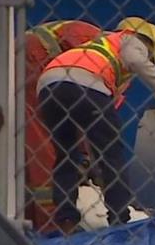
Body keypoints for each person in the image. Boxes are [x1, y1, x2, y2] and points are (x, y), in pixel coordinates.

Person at [37, 17, 155, 233]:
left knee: (66, 155)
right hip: (87, 85)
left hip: (48, 87)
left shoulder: (98, 44)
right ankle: (120, 219)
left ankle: (66, 218)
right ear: (151, 47)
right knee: (111, 154)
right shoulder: (131, 41)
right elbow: (136, 60)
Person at [24, 20, 103, 201]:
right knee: (46, 148)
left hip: (24, 57)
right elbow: (93, 117)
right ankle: (54, 220)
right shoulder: (110, 57)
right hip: (37, 61)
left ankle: (31, 215)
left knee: (26, 144)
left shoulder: (96, 38)